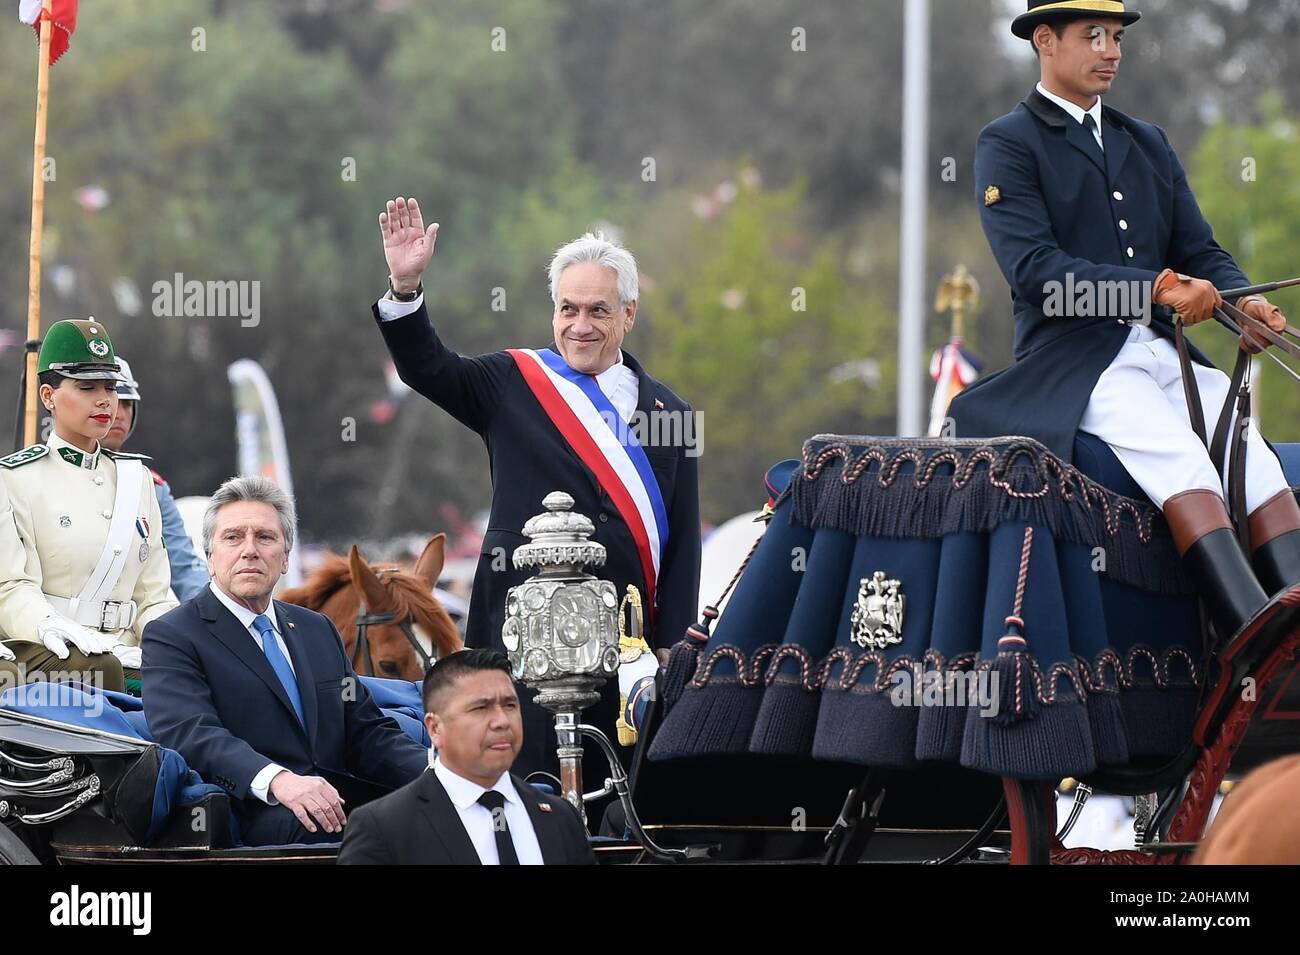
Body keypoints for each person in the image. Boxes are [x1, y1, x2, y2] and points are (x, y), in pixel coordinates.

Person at [950, 0, 1300, 648]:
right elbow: (1039, 275)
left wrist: (1241, 303)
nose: (1111, 49)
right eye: (1095, 36)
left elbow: (1200, 251)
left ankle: (1295, 625)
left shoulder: (1148, 142)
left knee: (1253, 458)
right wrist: (1159, 289)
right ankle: (1251, 632)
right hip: (1075, 359)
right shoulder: (1008, 143)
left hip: (1166, 350)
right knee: (1179, 458)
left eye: (1116, 36)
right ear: (1046, 41)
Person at [372, 197, 701, 776]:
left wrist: (671, 646)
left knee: (617, 800)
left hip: (623, 655)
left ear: (628, 313)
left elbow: (681, 545)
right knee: (522, 792)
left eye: (598, 311)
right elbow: (429, 368)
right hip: (521, 646)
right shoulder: (512, 382)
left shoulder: (670, 413)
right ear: (553, 311)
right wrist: (405, 288)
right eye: (568, 309)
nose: (580, 326)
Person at [141, 475, 429, 846]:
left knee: (444, 819)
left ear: (285, 557)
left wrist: (443, 772)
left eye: (264, 537)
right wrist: (278, 780)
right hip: (248, 812)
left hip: (336, 800)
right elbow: (192, 734)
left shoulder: (315, 629)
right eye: (233, 537)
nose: (249, 550)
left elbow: (366, 732)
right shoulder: (174, 635)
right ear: (210, 557)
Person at [0, 319, 175, 694]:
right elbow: (10, 587)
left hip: (133, 656)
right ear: (48, 396)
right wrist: (49, 624)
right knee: (101, 671)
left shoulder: (137, 479)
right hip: (53, 654)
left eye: (110, 387)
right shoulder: (14, 479)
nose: (105, 400)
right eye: (87, 387)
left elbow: (155, 596)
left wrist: (171, 648)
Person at [338, 648, 595, 865]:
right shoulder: (383, 828)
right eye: (480, 708)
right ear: (435, 727)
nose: (501, 721)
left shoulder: (559, 818)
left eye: (510, 705)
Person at [103, 356, 209, 601]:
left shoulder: (150, 486)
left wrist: (213, 613)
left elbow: (183, 565)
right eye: (114, 401)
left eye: (128, 404)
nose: (119, 413)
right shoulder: (35, 475)